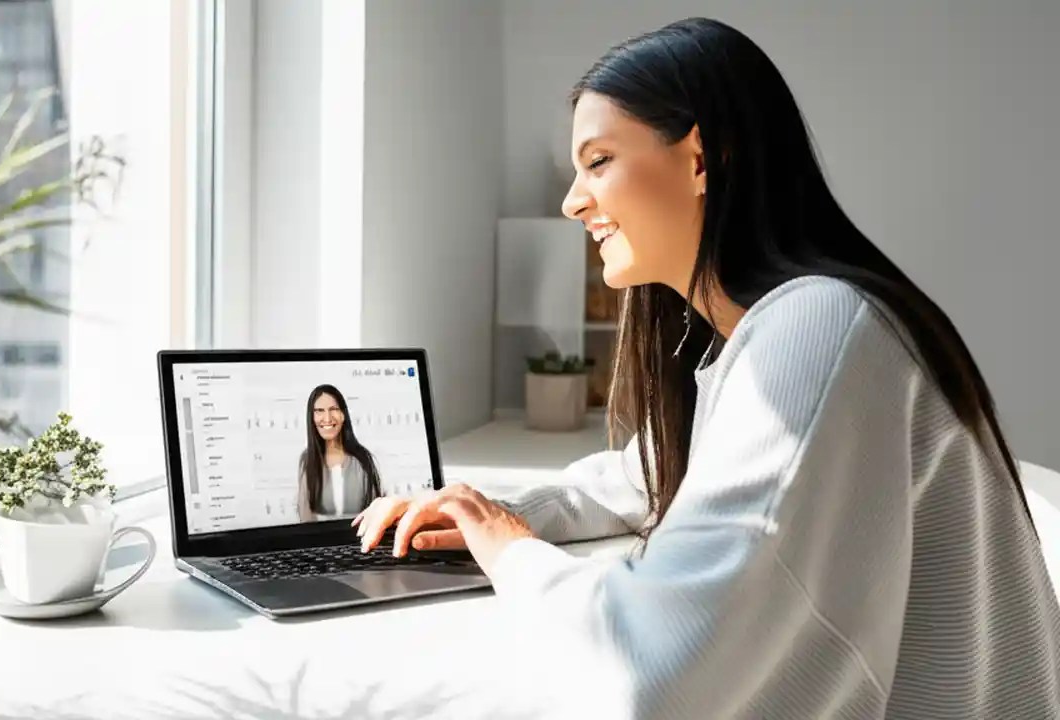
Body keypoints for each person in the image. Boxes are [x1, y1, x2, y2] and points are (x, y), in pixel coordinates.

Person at [353, 17, 1060, 719]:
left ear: (700, 159)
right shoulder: (751, 342)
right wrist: (482, 514)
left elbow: (653, 670)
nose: (573, 201)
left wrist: (512, 553)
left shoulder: (817, 326)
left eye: (598, 162)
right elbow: (639, 477)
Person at [296, 384, 383, 521]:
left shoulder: (363, 459)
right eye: (319, 410)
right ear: (311, 418)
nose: (327, 418)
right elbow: (305, 516)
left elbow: (376, 513)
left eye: (333, 409)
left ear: (343, 415)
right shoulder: (307, 460)